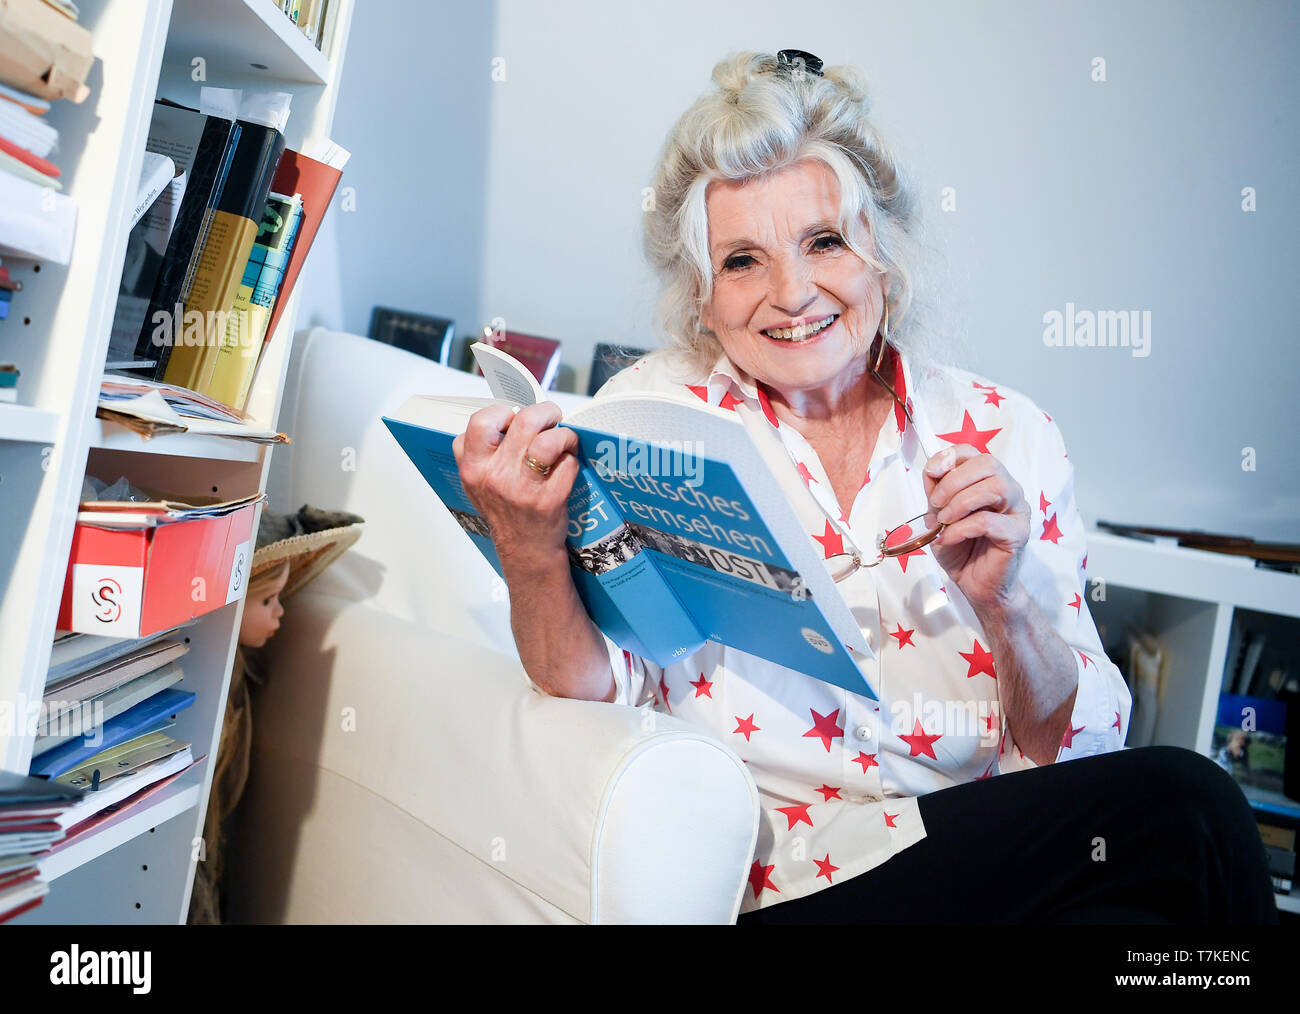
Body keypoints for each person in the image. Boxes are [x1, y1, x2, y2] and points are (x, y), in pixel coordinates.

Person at [452, 50, 1277, 924]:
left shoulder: (1010, 432)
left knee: (1177, 851)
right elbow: (595, 695)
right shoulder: (649, 418)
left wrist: (1009, 607)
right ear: (702, 297)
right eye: (741, 261)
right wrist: (530, 548)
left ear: (884, 253)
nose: (792, 293)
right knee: (1190, 813)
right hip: (779, 885)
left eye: (824, 241)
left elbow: (1067, 756)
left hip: (981, 863)